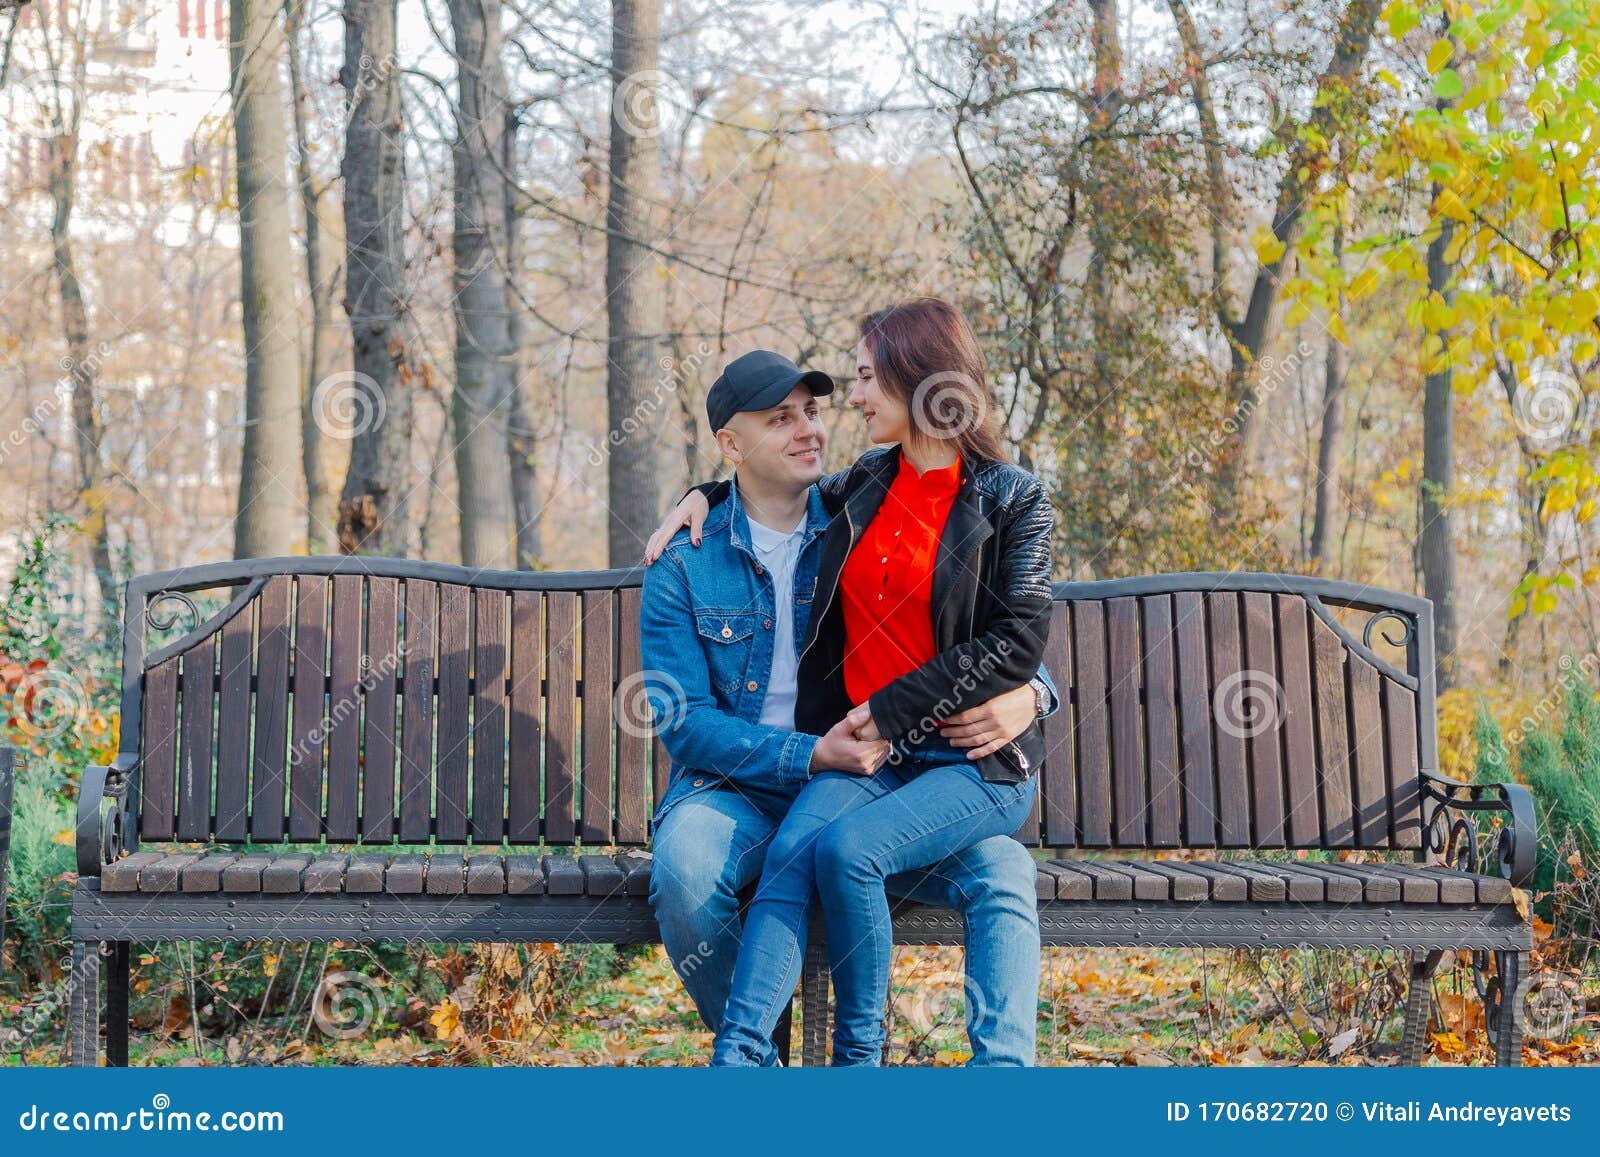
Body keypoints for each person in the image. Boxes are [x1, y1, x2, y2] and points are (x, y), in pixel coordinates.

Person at [644, 298, 1055, 1066]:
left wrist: (1035, 693)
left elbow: (1003, 635)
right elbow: (684, 719)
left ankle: (981, 1080)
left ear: (916, 379)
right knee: (720, 867)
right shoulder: (826, 504)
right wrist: (704, 494)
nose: (820, 422)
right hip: (799, 774)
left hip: (922, 766)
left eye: (821, 405)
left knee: (998, 866)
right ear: (733, 444)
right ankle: (751, 1065)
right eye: (782, 418)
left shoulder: (896, 502)